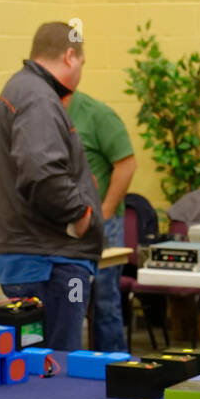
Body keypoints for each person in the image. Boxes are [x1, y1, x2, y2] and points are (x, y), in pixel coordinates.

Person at [0, 22, 103, 351]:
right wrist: (80, 215)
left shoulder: (25, 91)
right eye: (82, 62)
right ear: (70, 56)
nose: (81, 70)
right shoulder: (38, 98)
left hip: (37, 256)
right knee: (54, 374)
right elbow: (42, 171)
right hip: (50, 262)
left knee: (34, 372)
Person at [66, 89, 136, 352]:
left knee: (104, 302)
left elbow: (127, 164)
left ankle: (112, 369)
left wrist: (104, 212)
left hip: (102, 225)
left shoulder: (97, 114)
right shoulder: (42, 113)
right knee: (70, 301)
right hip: (64, 227)